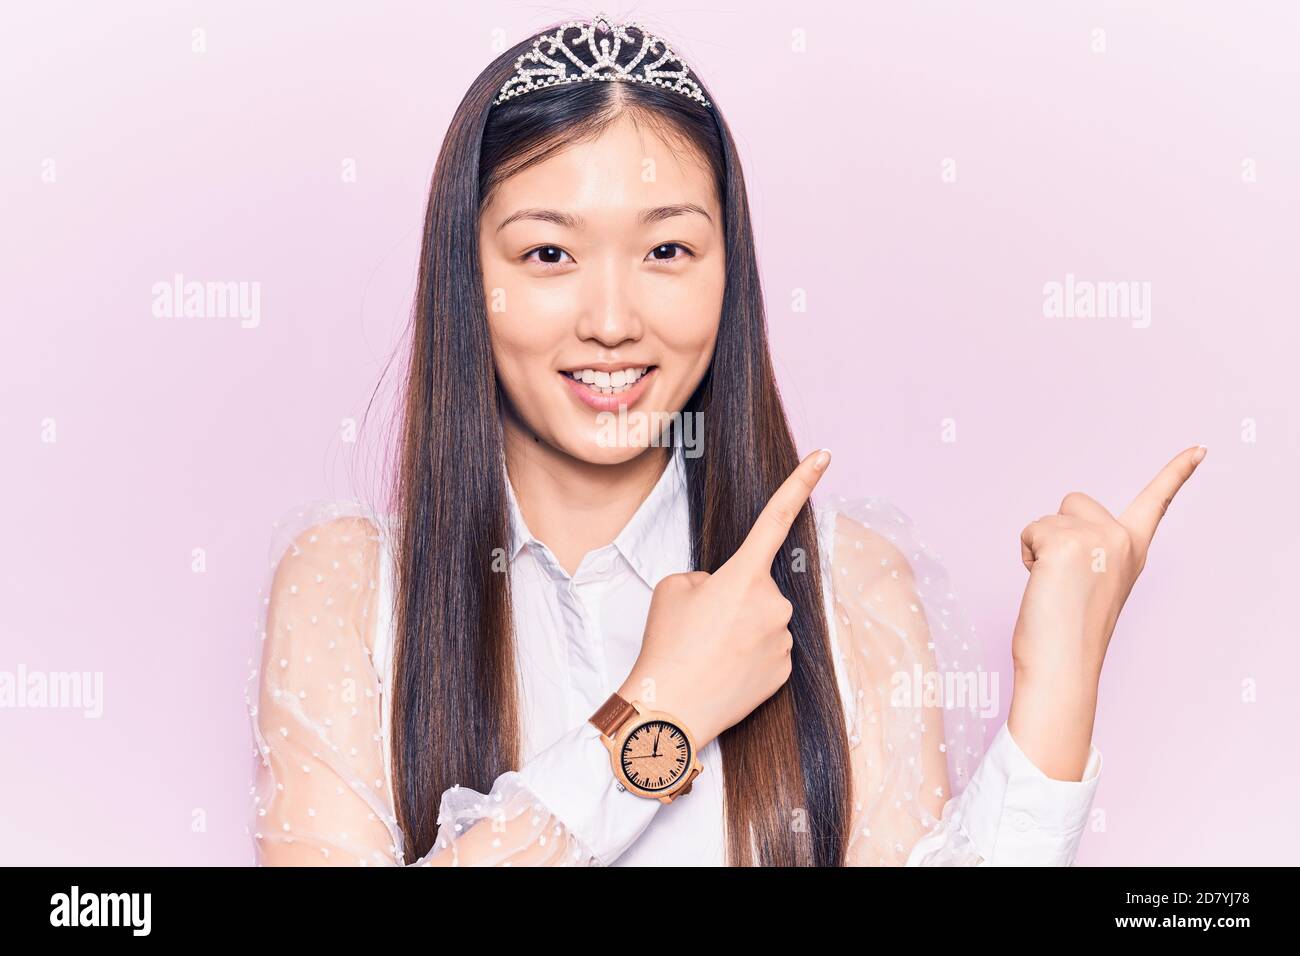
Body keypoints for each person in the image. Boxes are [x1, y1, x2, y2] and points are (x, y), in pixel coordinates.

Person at [242, 13, 1204, 866]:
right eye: (548, 253)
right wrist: (660, 715)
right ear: (467, 275)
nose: (612, 319)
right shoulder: (354, 590)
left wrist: (1056, 692)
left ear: (727, 269)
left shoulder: (844, 584)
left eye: (667, 250)